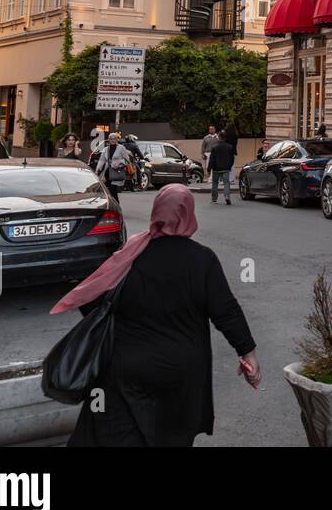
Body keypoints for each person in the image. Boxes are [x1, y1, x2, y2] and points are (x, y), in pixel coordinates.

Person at [52, 184, 260, 447]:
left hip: (127, 368)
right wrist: (248, 354)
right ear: (188, 215)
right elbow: (226, 312)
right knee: (172, 437)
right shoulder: (202, 260)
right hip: (181, 372)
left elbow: (91, 300)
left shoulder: (131, 255)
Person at [94, 133, 132, 202]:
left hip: (116, 172)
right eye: (111, 139)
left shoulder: (121, 148)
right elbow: (101, 160)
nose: (113, 140)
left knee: (113, 189)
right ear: (108, 140)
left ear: (117, 140)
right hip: (107, 172)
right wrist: (97, 170)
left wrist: (119, 163)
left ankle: (116, 205)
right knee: (108, 191)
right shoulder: (106, 149)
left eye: (114, 138)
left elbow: (127, 160)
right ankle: (113, 205)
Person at [207, 136, 236, 205]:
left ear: (219, 138)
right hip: (226, 168)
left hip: (216, 168)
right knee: (226, 183)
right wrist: (229, 166)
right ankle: (227, 196)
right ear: (225, 138)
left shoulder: (214, 147)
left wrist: (209, 169)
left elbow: (212, 159)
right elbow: (232, 158)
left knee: (215, 183)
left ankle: (214, 199)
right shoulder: (230, 147)